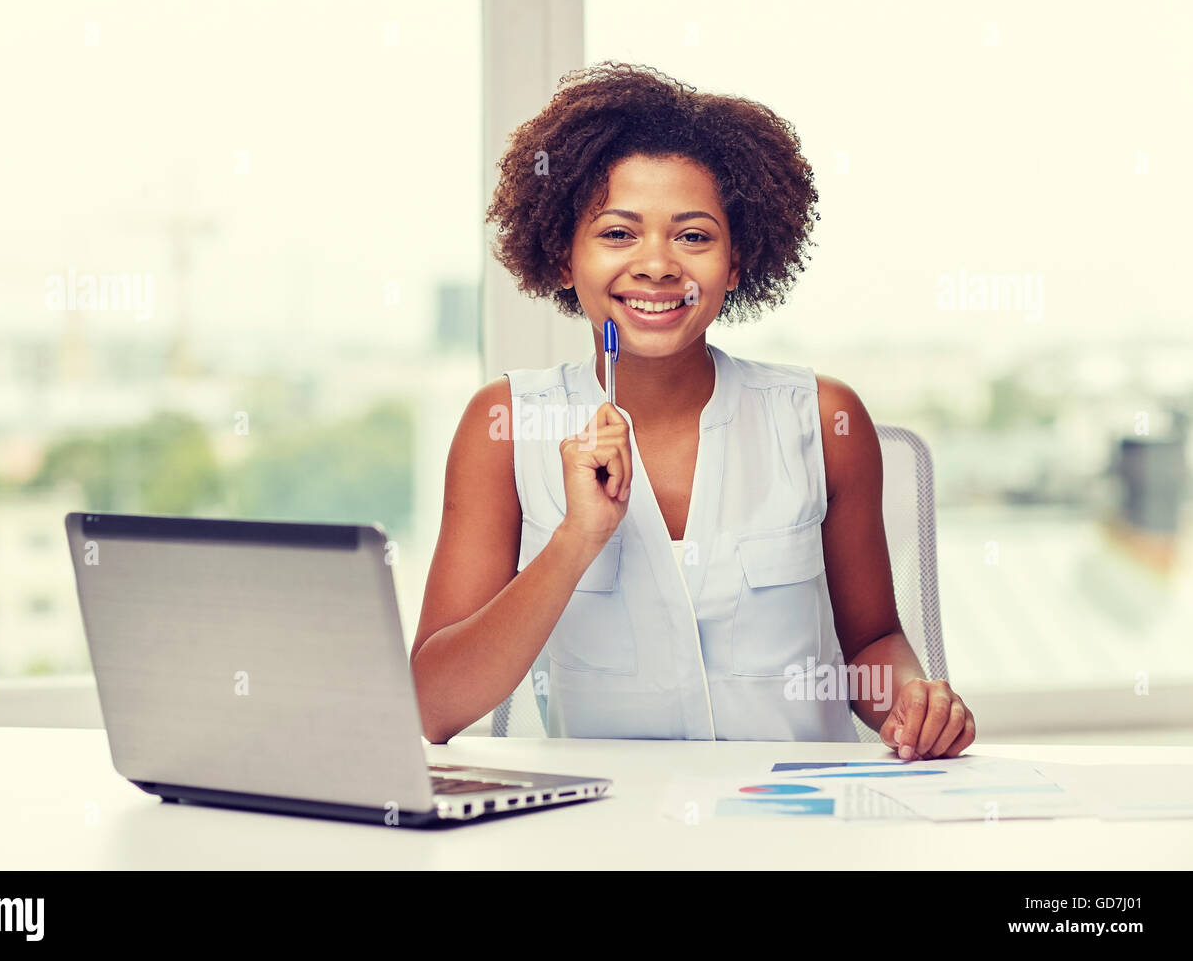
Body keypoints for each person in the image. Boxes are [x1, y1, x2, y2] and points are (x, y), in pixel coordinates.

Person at [411, 60, 975, 758]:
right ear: (564, 258)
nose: (657, 264)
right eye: (618, 233)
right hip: (606, 834)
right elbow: (433, 707)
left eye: (694, 236)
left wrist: (914, 701)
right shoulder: (502, 426)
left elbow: (871, 642)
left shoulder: (824, 420)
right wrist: (573, 542)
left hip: (798, 827)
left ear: (736, 263)